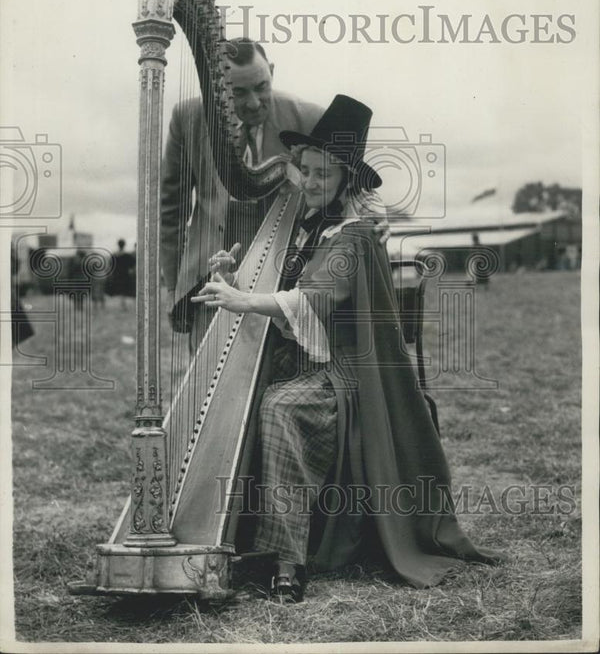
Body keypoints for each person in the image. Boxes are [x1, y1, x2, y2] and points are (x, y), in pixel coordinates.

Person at [194, 95, 500, 602]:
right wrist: (233, 271)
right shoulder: (308, 222)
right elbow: (286, 280)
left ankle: (287, 560)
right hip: (311, 360)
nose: (310, 182)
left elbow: (315, 298)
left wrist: (243, 299)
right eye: (306, 171)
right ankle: (232, 538)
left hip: (351, 377)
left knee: (276, 407)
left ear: (347, 182)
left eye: (323, 175)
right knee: (231, 402)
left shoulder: (353, 236)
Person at [161, 38, 386, 350]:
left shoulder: (308, 116)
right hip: (209, 273)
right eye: (238, 91)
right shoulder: (188, 118)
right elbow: (170, 210)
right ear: (217, 87)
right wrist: (175, 288)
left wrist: (374, 212)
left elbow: (350, 177)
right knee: (206, 378)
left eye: (261, 86)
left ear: (272, 72)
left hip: (282, 273)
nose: (253, 102)